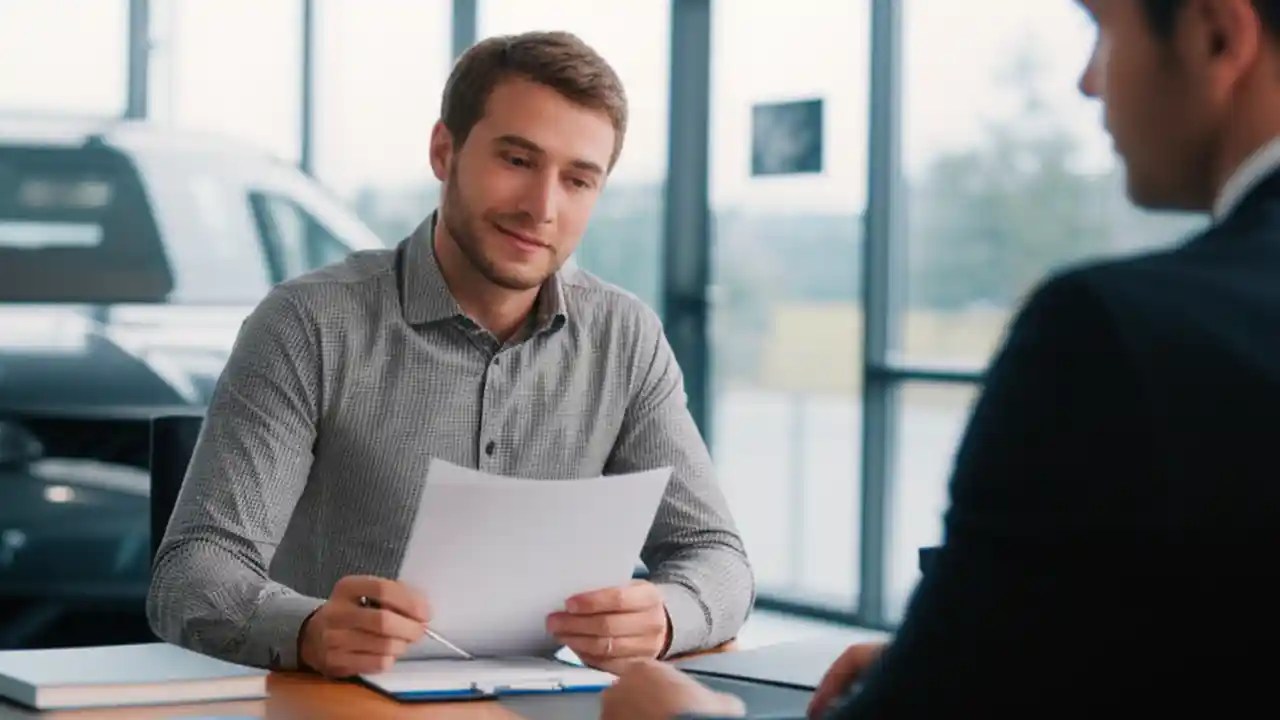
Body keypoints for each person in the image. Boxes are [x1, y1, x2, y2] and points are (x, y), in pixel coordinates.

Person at [601, 0, 1280, 716]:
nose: (1088, 81)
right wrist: (989, 649)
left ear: (1216, 34)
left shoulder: (1110, 333)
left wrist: (678, 716)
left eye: (1104, 34)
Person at [147, 30, 754, 678]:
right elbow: (192, 572)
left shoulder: (624, 338)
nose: (542, 208)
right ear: (445, 151)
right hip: (338, 706)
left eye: (578, 180)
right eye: (517, 161)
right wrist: (309, 628)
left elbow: (716, 555)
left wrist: (664, 614)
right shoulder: (310, 323)